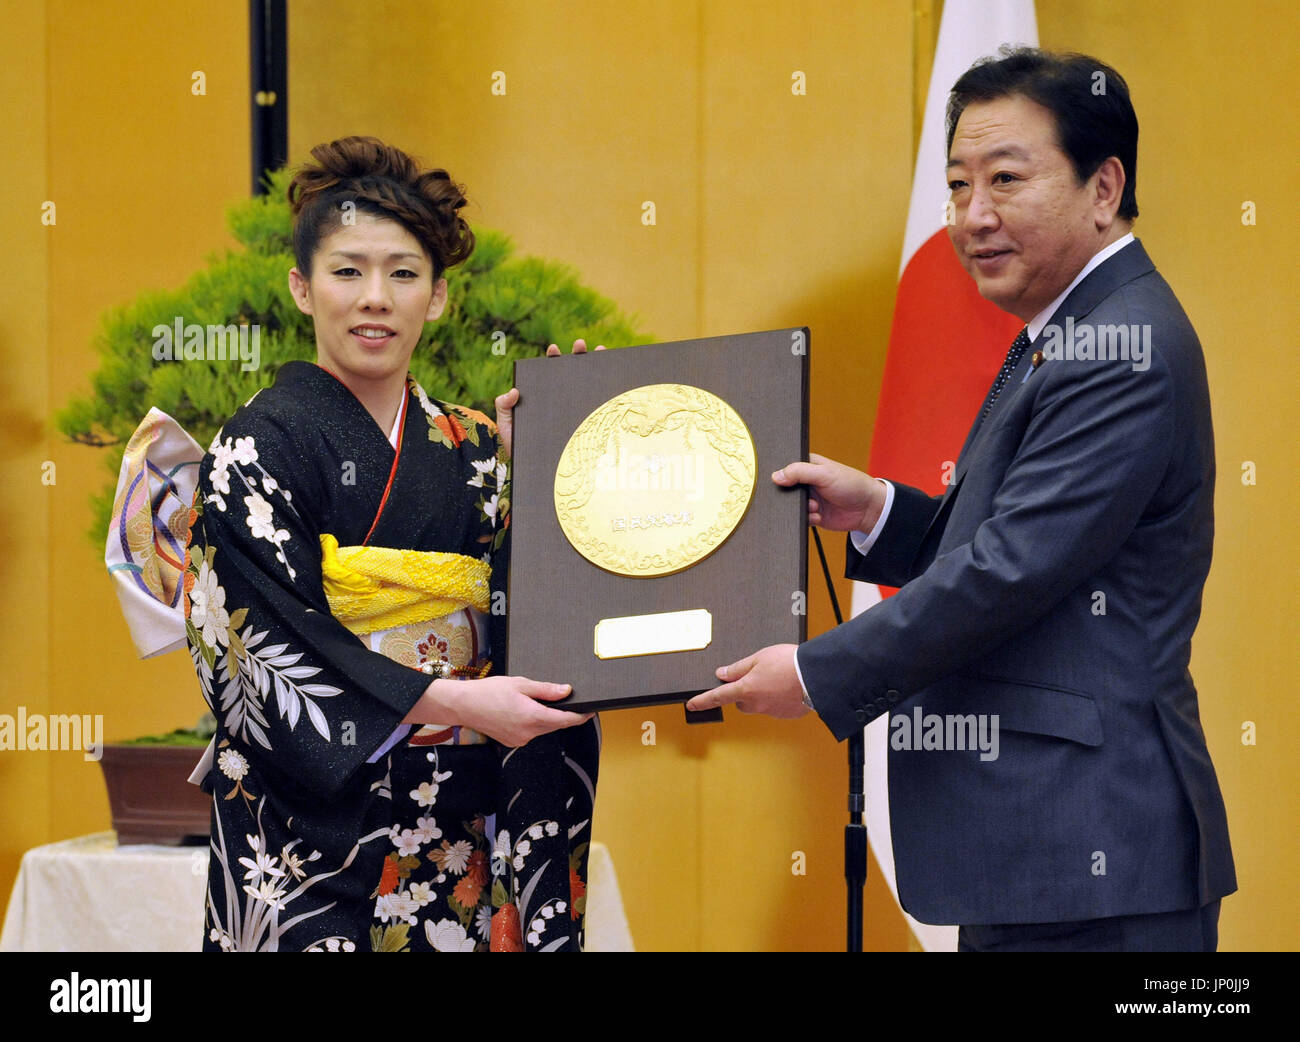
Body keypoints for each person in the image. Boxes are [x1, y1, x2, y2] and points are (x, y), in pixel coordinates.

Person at [688, 49, 1236, 952]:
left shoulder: (1120, 345)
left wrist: (819, 675)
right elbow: (1019, 544)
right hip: (1048, 848)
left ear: (1105, 188)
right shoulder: (1069, 326)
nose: (972, 217)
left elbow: (1010, 573)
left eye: (1006, 180)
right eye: (956, 186)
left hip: (1093, 854)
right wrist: (878, 511)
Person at [185, 136, 599, 952]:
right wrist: (445, 701)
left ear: (438, 298)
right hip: (313, 831)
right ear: (302, 289)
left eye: (403, 274)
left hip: (463, 819)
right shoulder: (259, 446)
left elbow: (542, 611)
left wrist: (551, 472)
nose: (375, 297)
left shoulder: (477, 447)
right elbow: (254, 642)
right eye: (347, 271)